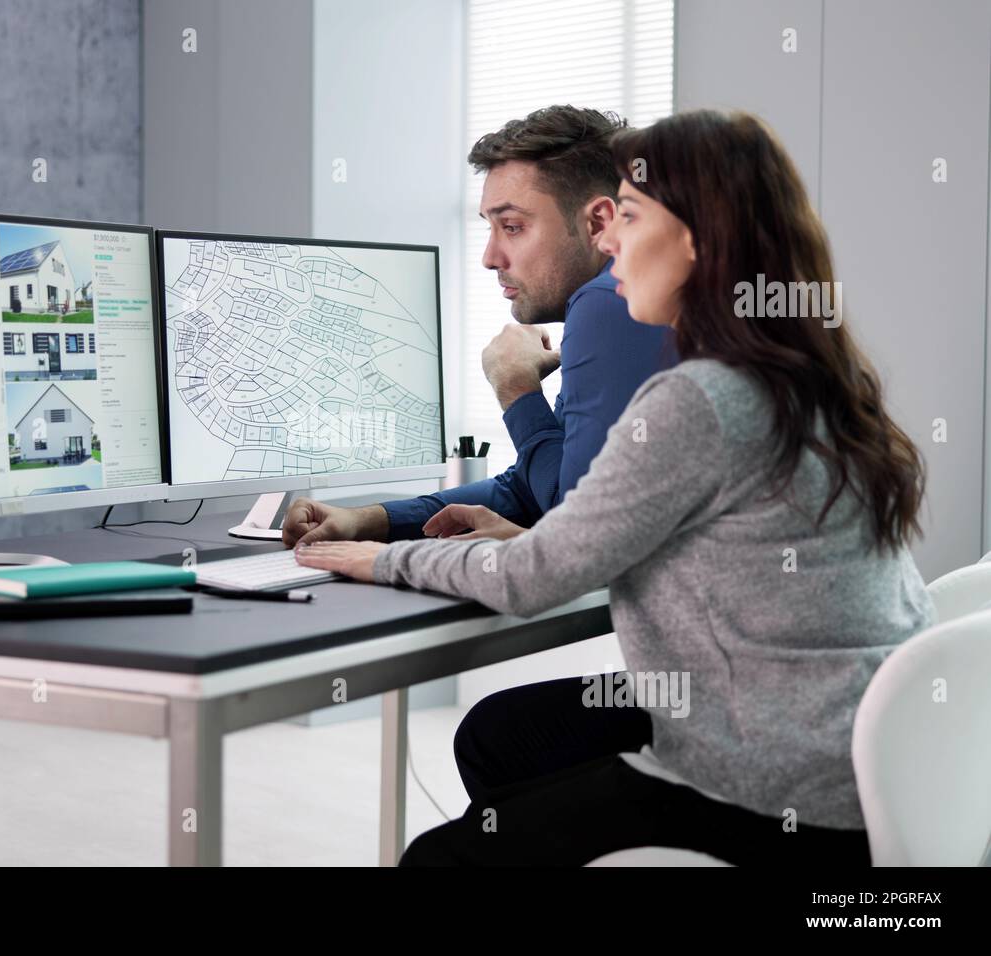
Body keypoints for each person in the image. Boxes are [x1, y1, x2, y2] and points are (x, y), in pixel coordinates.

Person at [296, 109, 936, 866]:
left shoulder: (701, 396)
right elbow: (592, 517)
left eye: (627, 218)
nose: (607, 241)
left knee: (437, 860)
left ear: (695, 240)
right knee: (507, 740)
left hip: (773, 787)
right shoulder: (812, 379)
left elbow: (538, 575)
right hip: (877, 764)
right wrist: (418, 525)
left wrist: (380, 560)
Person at [282, 105, 675, 548]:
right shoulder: (634, 290)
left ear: (597, 222)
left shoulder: (608, 301)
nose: (490, 257)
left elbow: (574, 525)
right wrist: (369, 520)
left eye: (512, 227)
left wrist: (516, 389)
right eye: (490, 227)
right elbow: (527, 489)